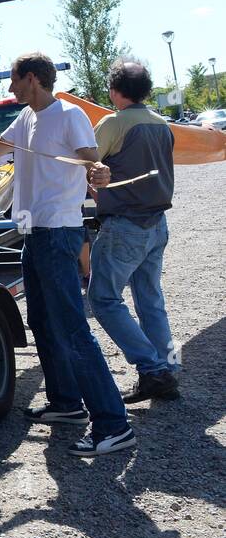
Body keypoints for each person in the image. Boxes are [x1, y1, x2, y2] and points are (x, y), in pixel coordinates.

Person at [0, 52, 134, 457]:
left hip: (58, 233)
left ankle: (113, 424)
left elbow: (94, 165)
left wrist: (100, 174)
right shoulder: (27, 119)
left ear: (34, 79)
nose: (9, 87)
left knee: (73, 328)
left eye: (14, 79)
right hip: (34, 233)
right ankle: (66, 404)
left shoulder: (70, 115)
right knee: (41, 320)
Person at [85, 60, 178, 402]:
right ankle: (166, 371)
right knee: (150, 299)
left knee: (104, 299)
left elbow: (86, 162)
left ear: (114, 90)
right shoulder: (161, 123)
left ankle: (152, 369)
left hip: (125, 225)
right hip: (157, 224)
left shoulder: (113, 123)